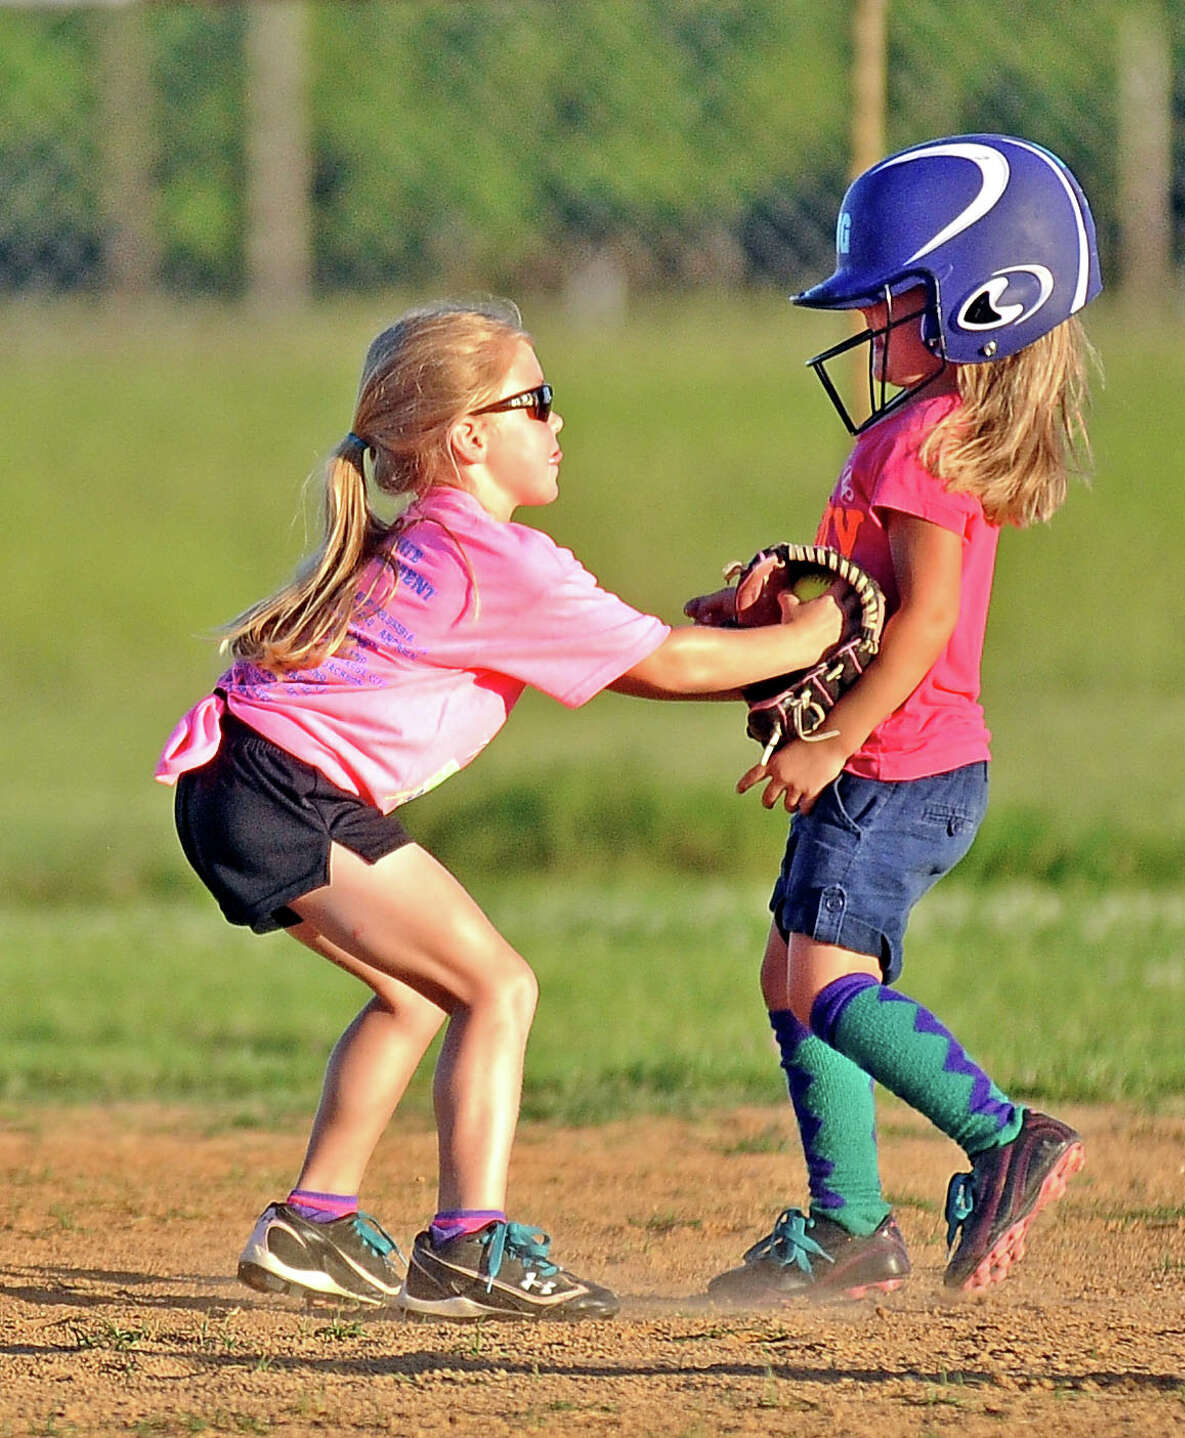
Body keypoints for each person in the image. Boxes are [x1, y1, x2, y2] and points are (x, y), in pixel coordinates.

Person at [154, 299, 846, 1322]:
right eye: (538, 401)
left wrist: (749, 639)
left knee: (419, 993)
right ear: (469, 436)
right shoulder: (496, 559)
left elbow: (656, 645)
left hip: (241, 784)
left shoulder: (439, 541)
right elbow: (664, 664)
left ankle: (315, 1225)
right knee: (498, 987)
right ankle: (469, 1245)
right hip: (284, 791)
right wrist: (816, 630)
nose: (558, 424)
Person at [691, 135, 1101, 1302]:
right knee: (790, 969)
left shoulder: (923, 439)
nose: (868, 322)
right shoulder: (926, 430)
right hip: (900, 757)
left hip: (896, 763)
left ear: (976, 303)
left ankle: (1004, 1136)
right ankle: (851, 1226)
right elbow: (871, 602)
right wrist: (774, 612)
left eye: (889, 299)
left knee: (820, 970)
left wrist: (829, 739)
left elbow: (919, 625)